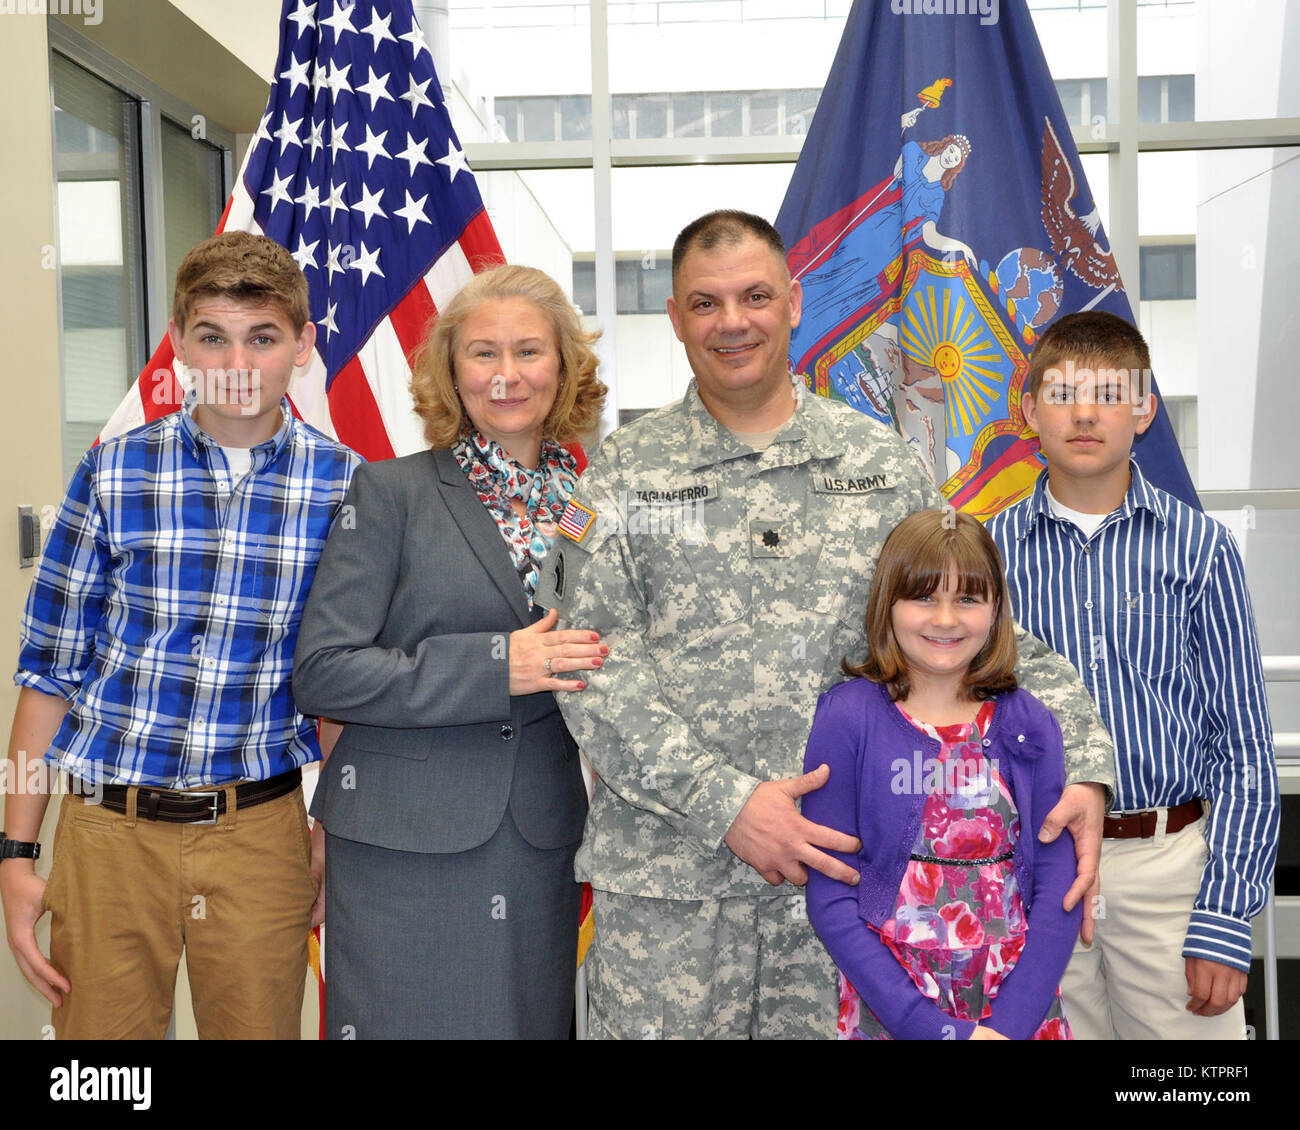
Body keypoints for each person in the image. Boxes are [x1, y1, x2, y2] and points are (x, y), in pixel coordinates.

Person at [535, 209, 1115, 1039]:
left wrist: (1087, 766)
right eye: (705, 303)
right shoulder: (621, 476)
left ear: (796, 302)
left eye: (754, 296)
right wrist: (726, 802)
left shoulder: (879, 465)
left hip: (850, 892)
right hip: (672, 892)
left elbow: (988, 627)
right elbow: (583, 661)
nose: (732, 322)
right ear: (673, 317)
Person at [0, 232, 360, 1038]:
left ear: (301, 347)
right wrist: (14, 857)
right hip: (105, 831)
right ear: (181, 344)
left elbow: (343, 687)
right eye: (213, 337)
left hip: (259, 832)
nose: (237, 362)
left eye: (262, 338)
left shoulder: (347, 485)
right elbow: (49, 673)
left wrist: (335, 833)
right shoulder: (114, 470)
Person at [292, 264, 608, 1039]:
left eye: (529, 352)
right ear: (450, 370)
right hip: (405, 844)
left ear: (564, 368)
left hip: (536, 840)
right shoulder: (390, 493)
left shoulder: (588, 505)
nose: (507, 376)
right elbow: (324, 671)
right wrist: (498, 666)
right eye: (483, 354)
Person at [985, 311, 1278, 1039]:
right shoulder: (986, 555)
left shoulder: (1200, 549)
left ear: (1144, 409)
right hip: (1037, 870)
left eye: (1110, 392)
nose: (1085, 412)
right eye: (1061, 393)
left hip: (1167, 871)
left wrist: (1223, 914)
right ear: (1028, 412)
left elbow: (1242, 749)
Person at [802, 509, 1079, 1040]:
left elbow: (1058, 885)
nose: (946, 620)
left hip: (1014, 1009)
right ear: (889, 604)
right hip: (895, 1009)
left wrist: (1010, 1026)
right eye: (924, 597)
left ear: (996, 610)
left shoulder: (1029, 722)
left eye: (968, 599)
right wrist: (928, 1028)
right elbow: (831, 895)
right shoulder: (847, 717)